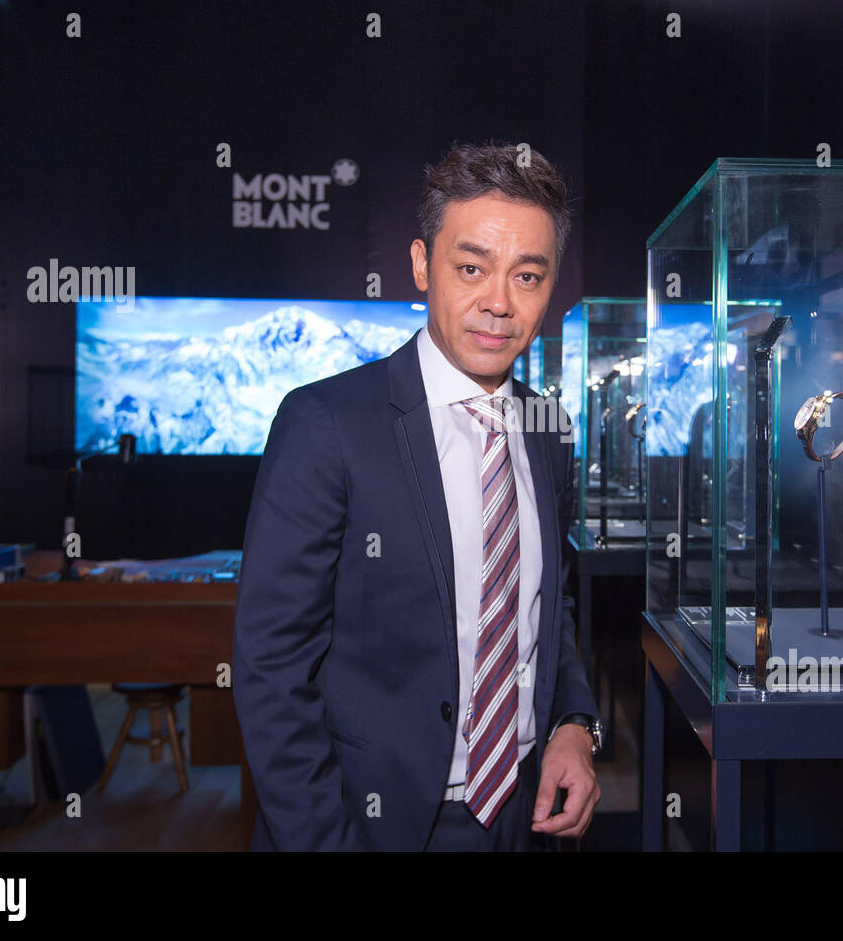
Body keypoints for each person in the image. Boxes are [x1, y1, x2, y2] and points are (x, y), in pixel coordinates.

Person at [232, 141, 602, 850]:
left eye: (528, 275)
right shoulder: (326, 424)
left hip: (522, 820)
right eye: (471, 268)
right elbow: (271, 667)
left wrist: (575, 727)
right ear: (420, 264)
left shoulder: (548, 431)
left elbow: (548, 610)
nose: (498, 302)